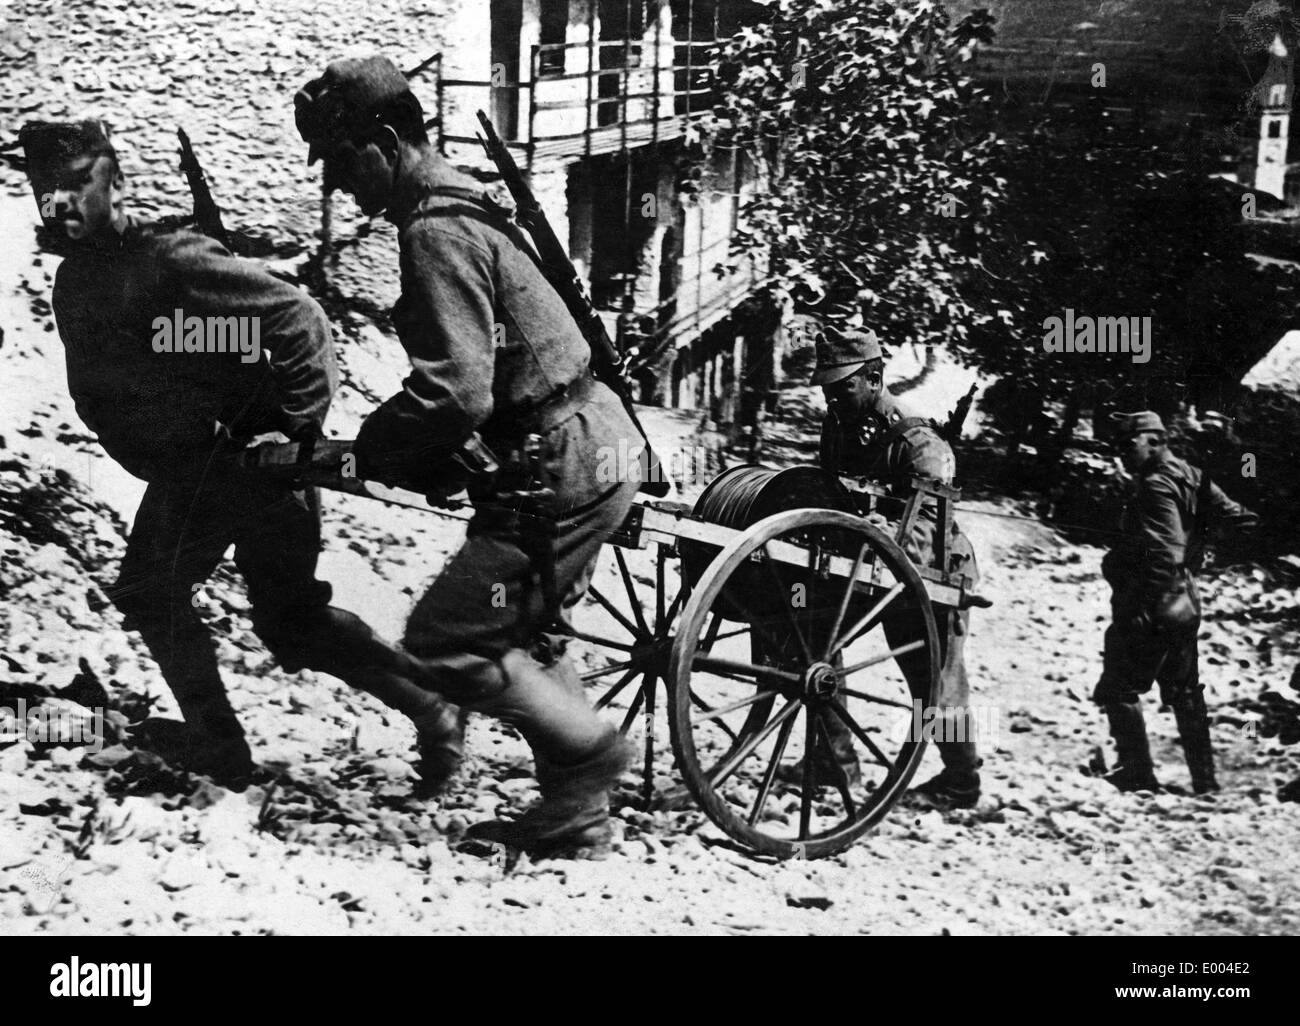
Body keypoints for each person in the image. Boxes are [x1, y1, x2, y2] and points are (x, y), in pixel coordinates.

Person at [19, 119, 464, 789]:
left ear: (117, 181)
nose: (65, 205)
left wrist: (296, 429)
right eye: (50, 191)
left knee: (159, 592)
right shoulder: (81, 279)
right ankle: (430, 706)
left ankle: (222, 744)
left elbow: (297, 320)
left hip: (242, 464)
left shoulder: (170, 259)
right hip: (193, 469)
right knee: (287, 620)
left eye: (82, 184)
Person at [293, 56, 641, 858]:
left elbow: (456, 392)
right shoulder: (467, 198)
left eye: (344, 162)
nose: (341, 186)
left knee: (449, 639)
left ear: (384, 140)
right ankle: (576, 816)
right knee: (528, 629)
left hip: (561, 455)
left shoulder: (434, 229)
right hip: (589, 438)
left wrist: (375, 447)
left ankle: (593, 758)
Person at [786, 321, 983, 809]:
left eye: (843, 385)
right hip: (863, 565)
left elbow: (920, 539)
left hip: (929, 572)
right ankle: (836, 761)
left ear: (874, 379)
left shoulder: (920, 444)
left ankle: (962, 781)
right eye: (828, 387)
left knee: (933, 680)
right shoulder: (838, 428)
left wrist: (872, 534)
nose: (832, 397)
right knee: (815, 637)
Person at [1095, 411, 1258, 795]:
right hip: (1186, 600)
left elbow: (1164, 551)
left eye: (1126, 445)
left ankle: (1137, 775)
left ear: (1154, 440)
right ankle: (1205, 782)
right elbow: (1239, 518)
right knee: (1186, 692)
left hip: (1154, 602)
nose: (1121, 454)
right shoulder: (1194, 476)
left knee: (1118, 688)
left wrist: (1141, 609)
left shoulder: (1154, 485)